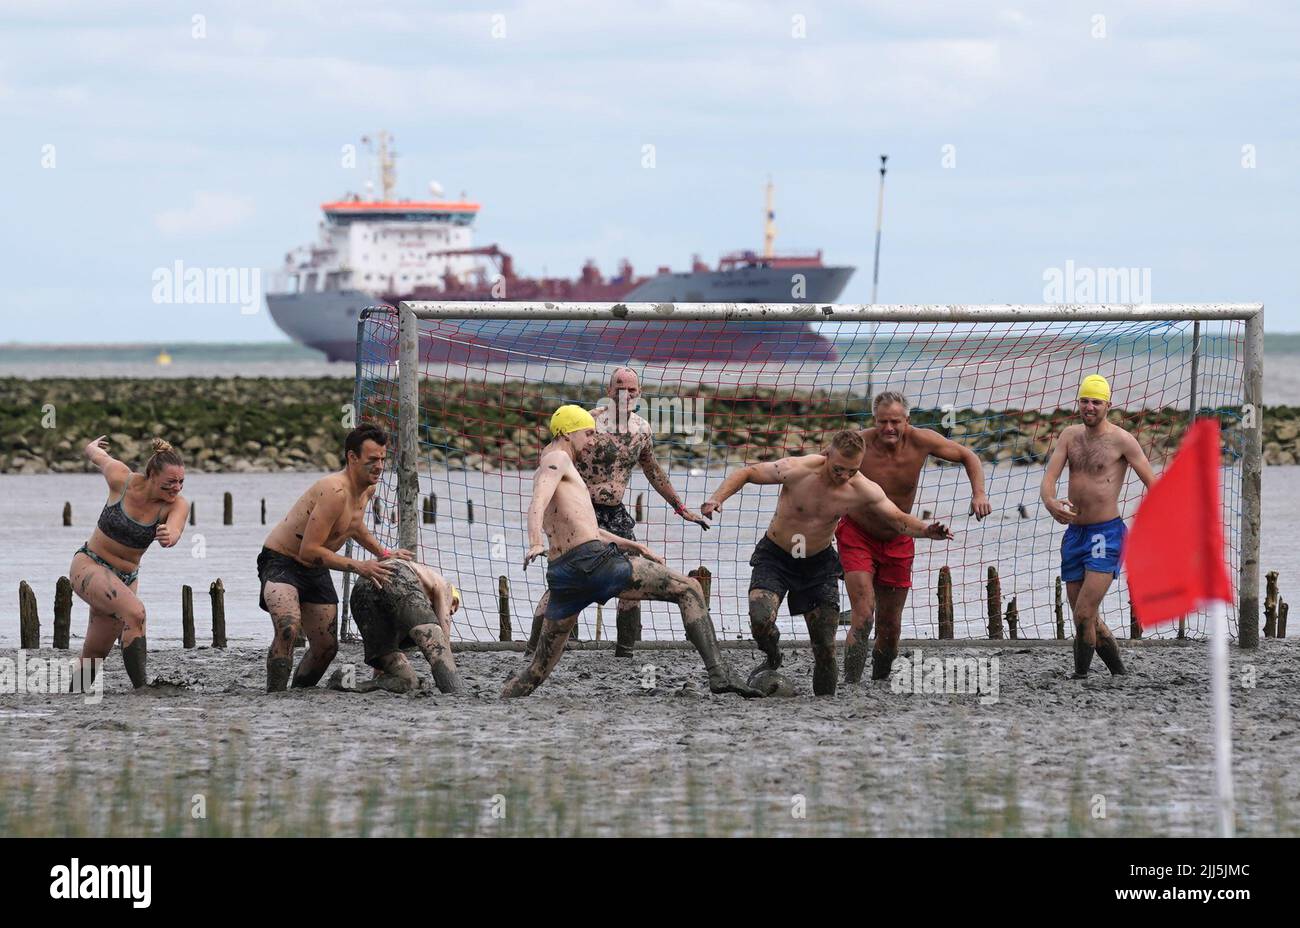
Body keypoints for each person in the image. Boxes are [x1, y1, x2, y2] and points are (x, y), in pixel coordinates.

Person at [503, 405, 760, 698]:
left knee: (537, 670)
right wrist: (535, 541)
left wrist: (636, 546)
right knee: (688, 590)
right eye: (587, 434)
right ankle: (720, 674)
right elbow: (537, 501)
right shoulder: (558, 459)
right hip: (594, 564)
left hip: (565, 579)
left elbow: (588, 528)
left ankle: (503, 701)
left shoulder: (552, 461)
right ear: (568, 432)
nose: (591, 442)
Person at [702, 430, 952, 696]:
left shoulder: (862, 489)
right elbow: (748, 473)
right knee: (760, 617)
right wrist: (718, 497)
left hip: (818, 565)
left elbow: (898, 518)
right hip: (776, 556)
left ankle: (826, 702)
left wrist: (926, 530)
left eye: (852, 471)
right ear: (827, 455)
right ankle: (773, 655)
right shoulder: (797, 469)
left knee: (824, 646)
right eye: (839, 469)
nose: (844, 476)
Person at [525, 367, 708, 657]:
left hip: (616, 513)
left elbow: (653, 471)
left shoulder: (642, 430)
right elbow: (553, 450)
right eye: (620, 388)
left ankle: (625, 651)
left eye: (632, 389)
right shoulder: (588, 423)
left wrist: (680, 507)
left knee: (631, 580)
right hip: (581, 512)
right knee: (565, 583)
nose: (626, 394)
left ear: (640, 393)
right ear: (609, 391)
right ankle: (536, 649)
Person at [839, 391, 991, 683]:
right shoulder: (858, 442)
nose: (889, 428)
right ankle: (851, 682)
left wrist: (979, 494)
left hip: (901, 535)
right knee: (864, 612)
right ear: (874, 420)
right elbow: (817, 465)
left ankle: (881, 679)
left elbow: (967, 455)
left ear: (907, 420)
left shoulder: (922, 440)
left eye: (895, 421)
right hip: (857, 533)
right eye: (883, 422)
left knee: (890, 624)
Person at [257, 424, 412, 692]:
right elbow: (309, 550)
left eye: (383, 459)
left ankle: (299, 693)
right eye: (372, 460)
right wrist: (359, 567)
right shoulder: (334, 491)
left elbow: (353, 526)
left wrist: (383, 553)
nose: (379, 467)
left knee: (326, 648)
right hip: (282, 561)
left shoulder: (367, 489)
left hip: (314, 571)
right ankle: (275, 695)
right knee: (288, 627)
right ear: (352, 458)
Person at [1040, 374, 1156, 678]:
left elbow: (1152, 483)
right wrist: (1050, 501)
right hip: (1075, 534)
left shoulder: (1122, 440)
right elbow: (1049, 479)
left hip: (1107, 534)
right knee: (1086, 616)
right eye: (1085, 400)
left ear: (1108, 405)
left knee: (1083, 613)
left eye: (1096, 401)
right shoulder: (1069, 435)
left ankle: (1080, 676)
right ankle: (1120, 673)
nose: (1089, 407)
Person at [69, 437, 190, 689]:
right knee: (136, 613)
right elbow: (99, 458)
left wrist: (171, 535)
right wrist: (91, 447)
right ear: (152, 476)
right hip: (89, 566)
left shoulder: (177, 504)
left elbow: (175, 530)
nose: (176, 488)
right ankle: (141, 689)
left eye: (181, 482)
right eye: (170, 482)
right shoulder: (121, 479)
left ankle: (74, 696)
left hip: (126, 579)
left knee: (95, 652)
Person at [347, 559, 463, 694]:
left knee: (408, 681)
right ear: (455, 602)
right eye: (453, 610)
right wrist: (446, 663)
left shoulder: (422, 588)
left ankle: (349, 683)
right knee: (438, 650)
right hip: (396, 575)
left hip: (361, 590)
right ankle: (455, 692)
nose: (452, 612)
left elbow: (388, 643)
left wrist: (383, 668)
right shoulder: (446, 587)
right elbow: (444, 631)